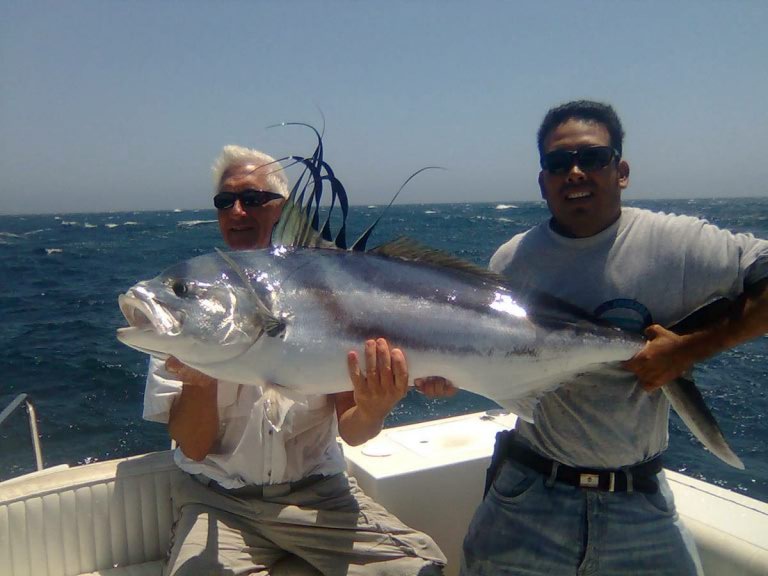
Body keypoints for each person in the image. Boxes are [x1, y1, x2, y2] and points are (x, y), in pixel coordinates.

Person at [461, 100, 768, 575]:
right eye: (558, 163)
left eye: (593, 158)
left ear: (621, 170)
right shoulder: (510, 263)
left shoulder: (679, 244)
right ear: (543, 181)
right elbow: (489, 360)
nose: (575, 172)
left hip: (639, 502)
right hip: (528, 497)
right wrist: (443, 374)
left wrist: (688, 348)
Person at [144, 145, 452, 575]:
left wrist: (376, 406)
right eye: (224, 202)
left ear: (281, 211)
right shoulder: (187, 307)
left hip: (319, 496)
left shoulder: (334, 297)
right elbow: (194, 449)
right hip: (219, 501)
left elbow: (354, 431)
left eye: (252, 199)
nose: (236, 212)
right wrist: (201, 375)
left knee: (422, 570)